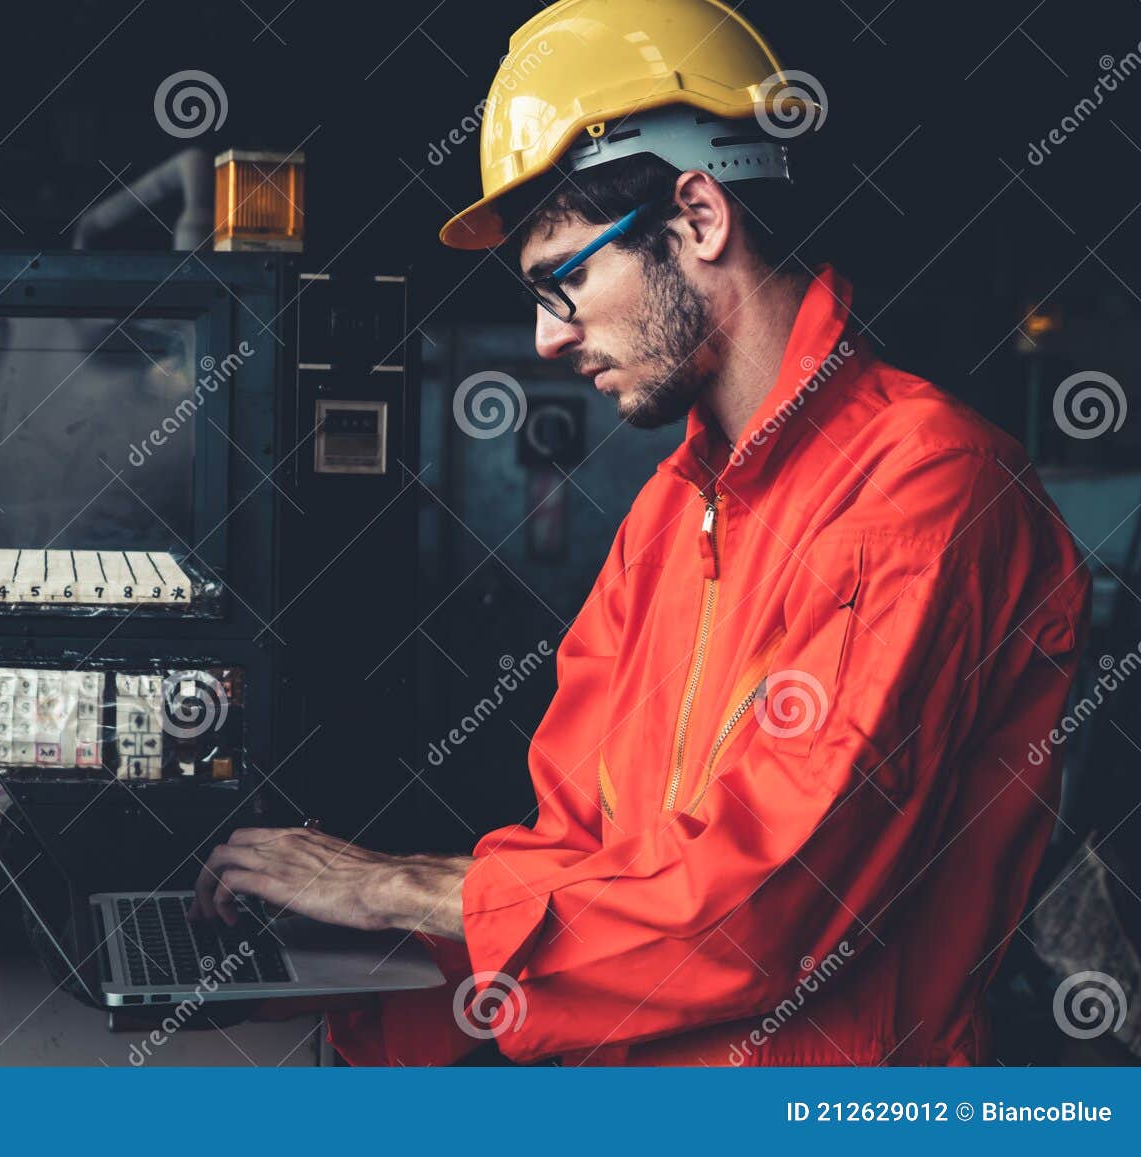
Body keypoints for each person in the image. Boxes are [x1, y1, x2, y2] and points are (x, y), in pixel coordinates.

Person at [190, 0, 1091, 1065]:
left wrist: (395, 885)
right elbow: (573, 853)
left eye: (564, 275)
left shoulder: (925, 488)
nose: (544, 335)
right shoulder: (672, 511)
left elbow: (760, 915)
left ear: (699, 217)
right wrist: (334, 963)